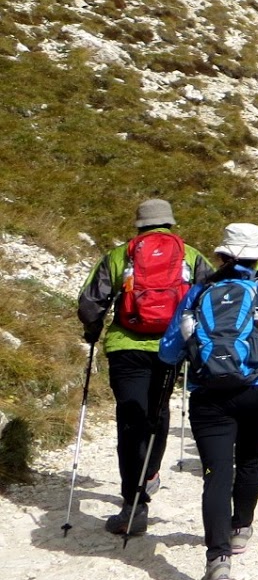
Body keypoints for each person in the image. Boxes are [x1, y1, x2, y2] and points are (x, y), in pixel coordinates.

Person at [158, 223, 258, 580]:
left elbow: (168, 352)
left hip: (208, 394)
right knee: (249, 459)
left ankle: (218, 558)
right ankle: (241, 528)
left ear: (220, 256)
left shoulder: (198, 291)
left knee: (216, 473)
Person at [77, 198, 211, 536]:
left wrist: (92, 332)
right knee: (157, 412)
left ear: (139, 224)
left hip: (125, 346)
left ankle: (132, 504)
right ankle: (150, 473)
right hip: (169, 348)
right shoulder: (190, 254)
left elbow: (91, 302)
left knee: (129, 419)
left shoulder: (119, 255)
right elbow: (209, 296)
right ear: (170, 223)